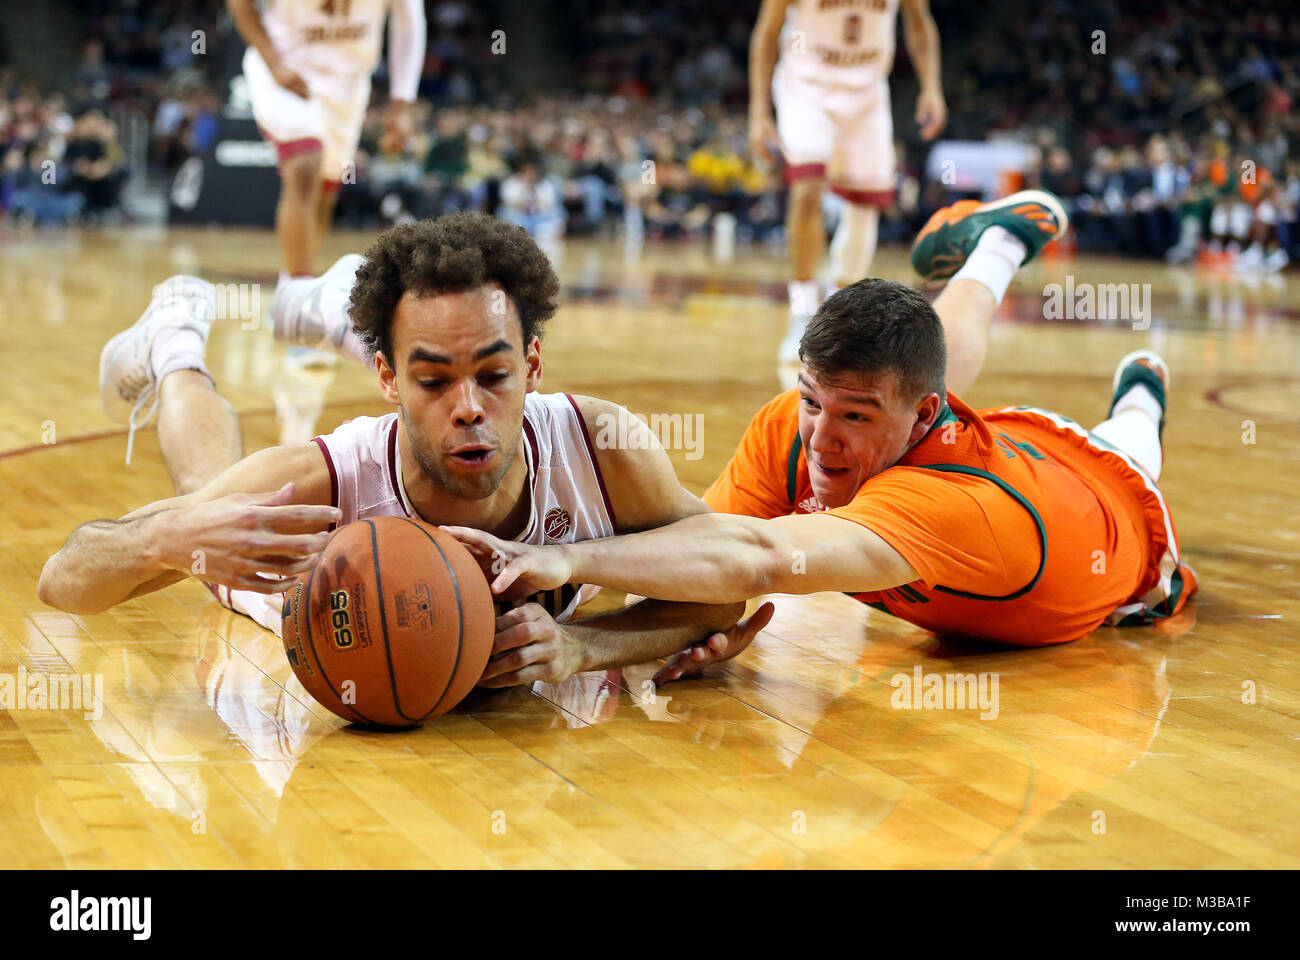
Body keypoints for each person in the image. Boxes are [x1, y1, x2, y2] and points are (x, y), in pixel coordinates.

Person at [440, 190, 1200, 681]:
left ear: (921, 418)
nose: (822, 440)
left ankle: (1142, 389)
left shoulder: (942, 508)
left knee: (1131, 437)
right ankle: (1001, 243)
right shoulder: (803, 423)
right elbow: (704, 557)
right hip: (989, 448)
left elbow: (757, 559)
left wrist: (565, 558)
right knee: (921, 358)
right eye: (813, 401)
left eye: (854, 417)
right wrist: (613, 635)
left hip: (1110, 521)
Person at [39, 214, 769, 689]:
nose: (470, 408)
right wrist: (170, 537)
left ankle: (337, 306)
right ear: (383, 377)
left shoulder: (601, 448)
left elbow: (722, 584)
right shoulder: (319, 480)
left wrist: (585, 646)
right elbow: (64, 582)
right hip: (293, 562)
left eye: (495, 374)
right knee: (205, 487)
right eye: (432, 379)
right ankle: (176, 338)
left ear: (535, 364)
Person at [748, 0, 946, 364]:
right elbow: (767, 33)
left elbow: (919, 25)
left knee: (865, 207)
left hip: (867, 94)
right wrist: (759, 112)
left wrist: (931, 87)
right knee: (806, 188)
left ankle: (838, 311)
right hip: (805, 87)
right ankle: (803, 310)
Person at [226, 0, 426, 282]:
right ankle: (297, 291)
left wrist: (402, 104)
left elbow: (409, 22)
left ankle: (299, 282)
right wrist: (272, 62)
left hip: (349, 81)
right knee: (305, 163)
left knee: (325, 188)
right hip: (287, 71)